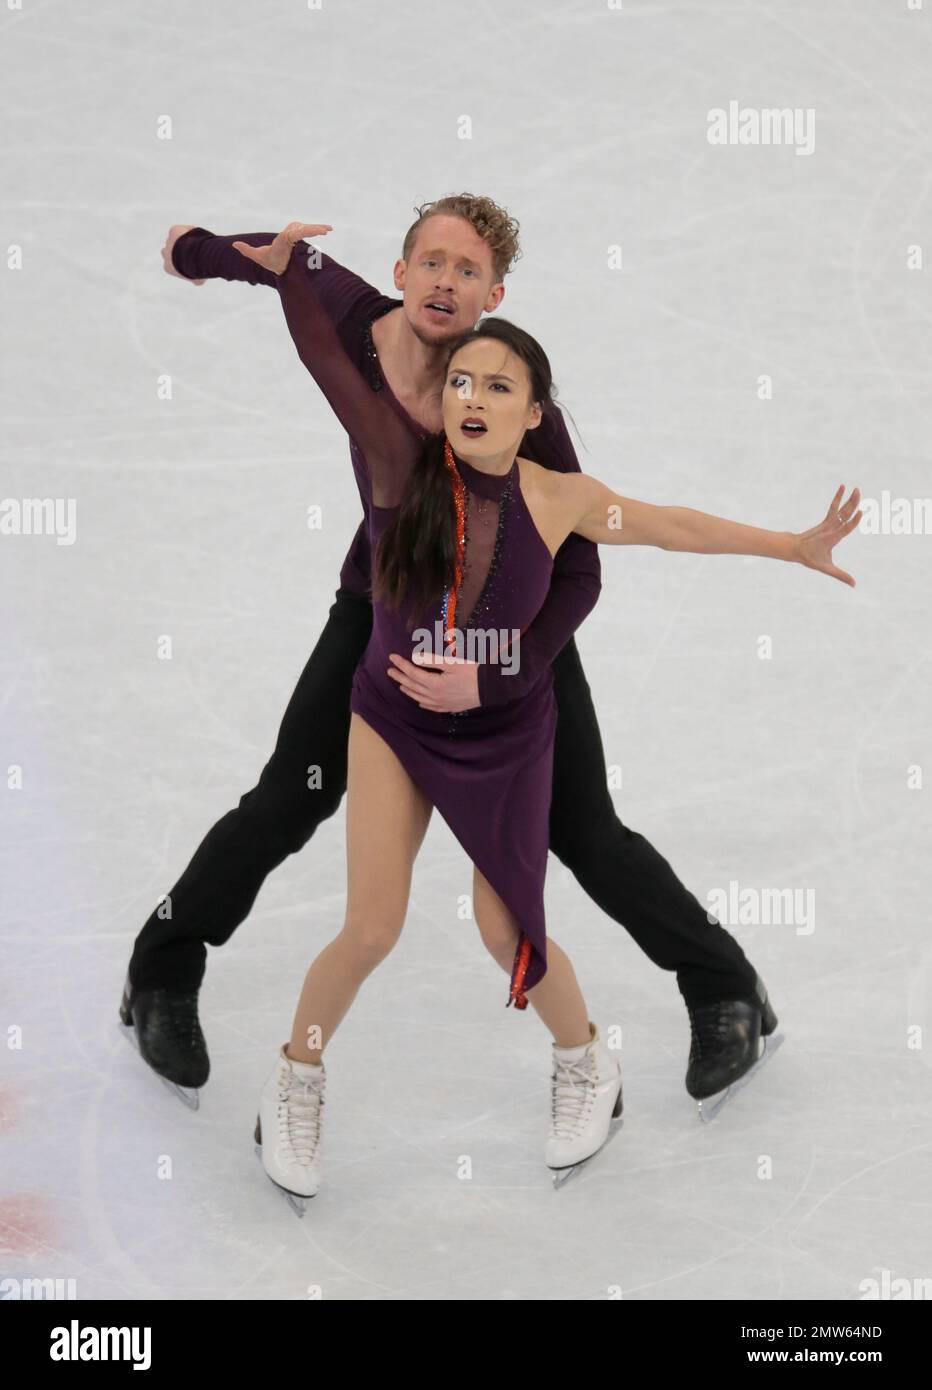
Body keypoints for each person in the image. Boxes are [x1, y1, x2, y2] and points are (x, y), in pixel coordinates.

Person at [234, 221, 859, 1197]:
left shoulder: (560, 499)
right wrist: (284, 281)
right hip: (394, 718)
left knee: (506, 930)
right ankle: (295, 1075)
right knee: (368, 927)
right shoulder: (398, 467)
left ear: (534, 414)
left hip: (504, 731)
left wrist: (789, 544)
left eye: (497, 387)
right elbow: (330, 359)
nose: (472, 397)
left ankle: (584, 1062)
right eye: (460, 384)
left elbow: (671, 526)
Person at [123, 194, 777, 1112]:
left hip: (512, 630)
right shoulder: (356, 321)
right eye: (433, 262)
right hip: (385, 607)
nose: (445, 281)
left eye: (467, 273)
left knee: (585, 830)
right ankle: (162, 967)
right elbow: (271, 263)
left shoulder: (511, 393)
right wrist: (196, 251)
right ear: (402, 273)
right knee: (292, 793)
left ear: (491, 296)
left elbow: (580, 566)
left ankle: (725, 985)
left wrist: (509, 665)